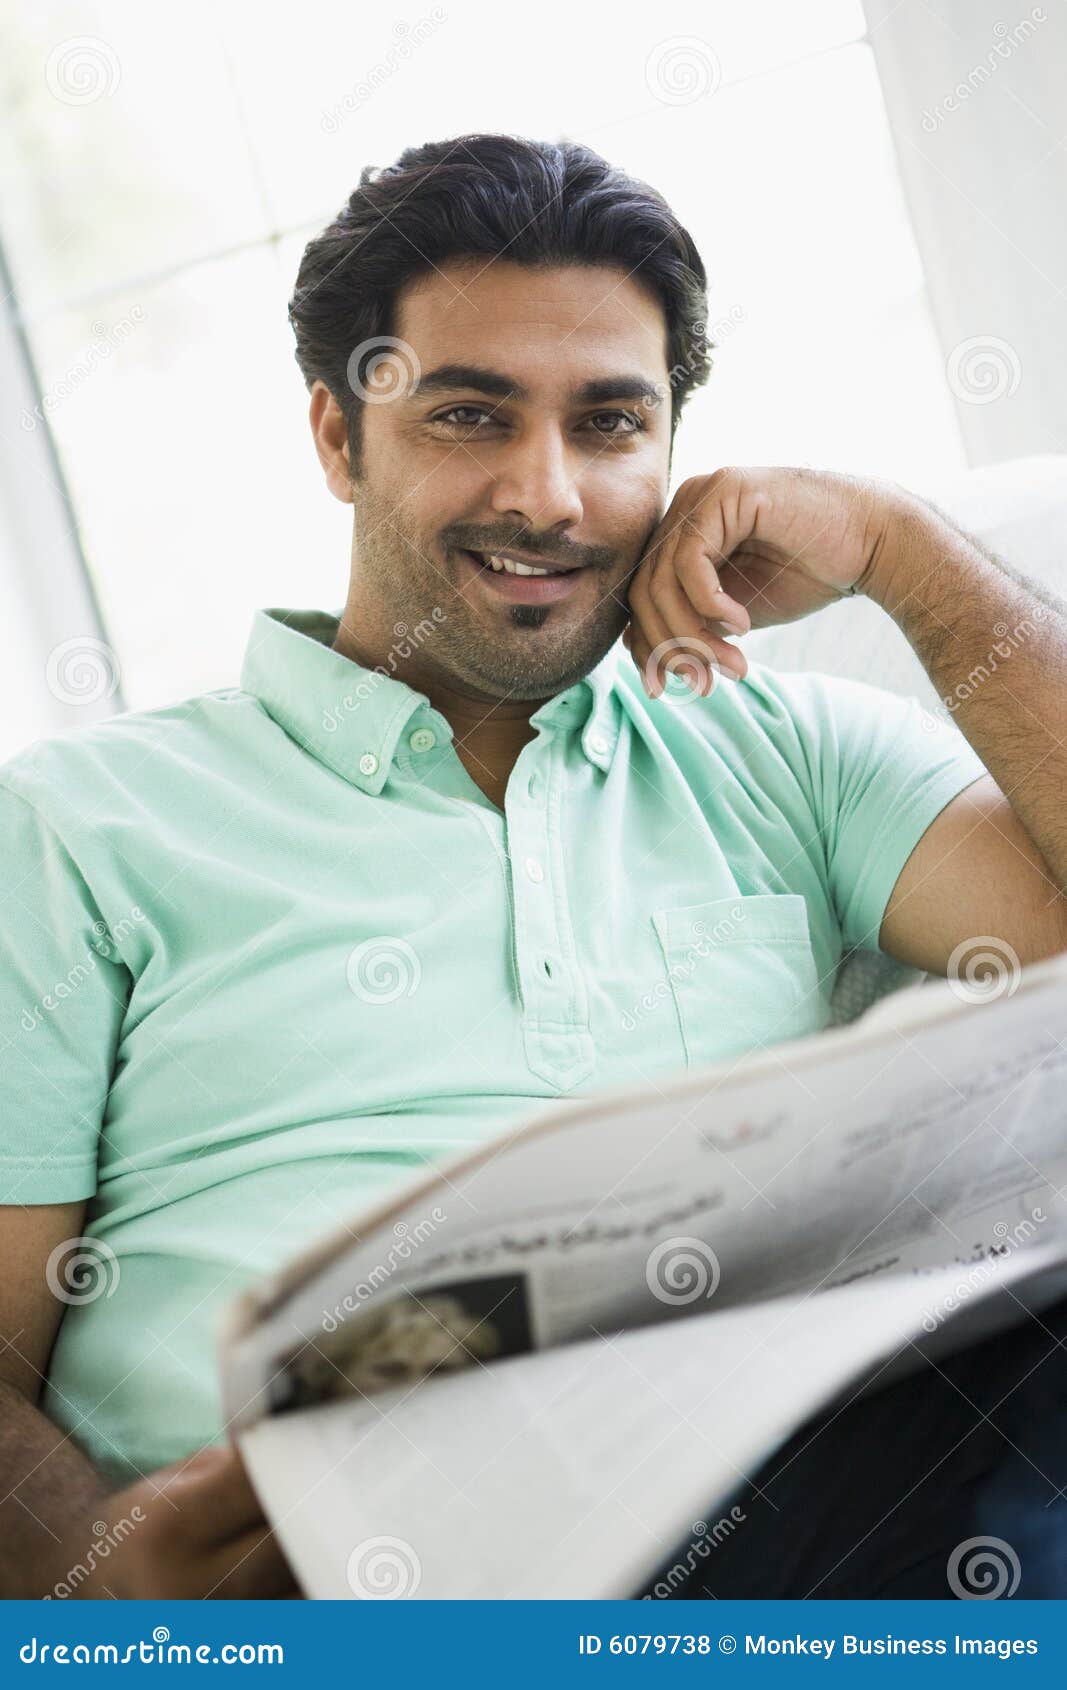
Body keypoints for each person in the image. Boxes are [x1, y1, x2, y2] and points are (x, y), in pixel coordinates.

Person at [1, 134, 1064, 1600]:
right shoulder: (76, 826)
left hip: (782, 1551)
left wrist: (902, 552)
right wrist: (99, 1585)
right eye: (468, 415)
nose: (548, 495)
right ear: (338, 436)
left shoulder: (792, 750)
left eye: (611, 423)